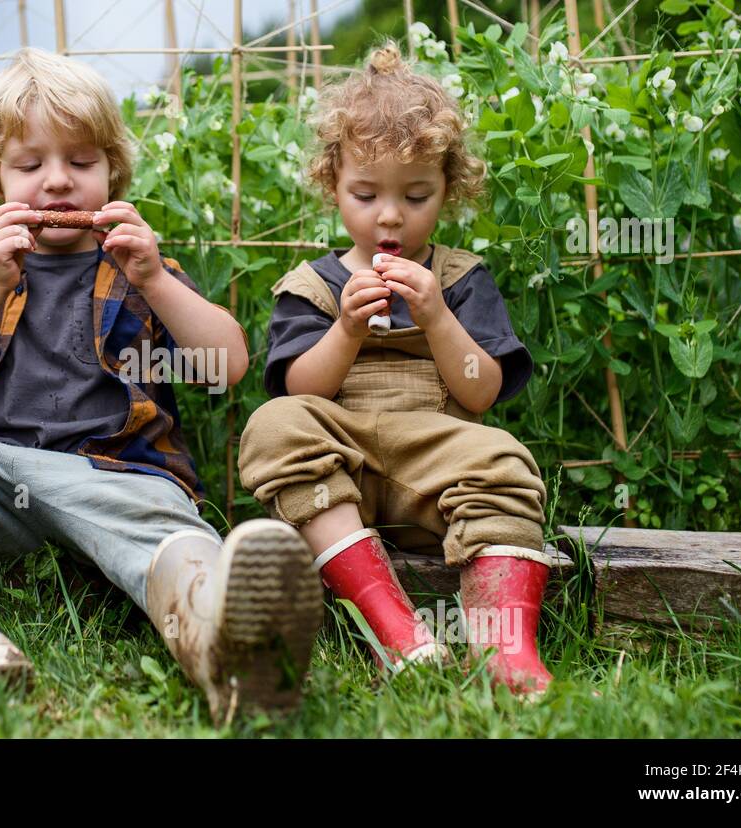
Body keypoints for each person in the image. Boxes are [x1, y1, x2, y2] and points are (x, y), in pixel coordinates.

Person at [0, 47, 324, 723]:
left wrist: (156, 277)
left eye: (81, 162)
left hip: (119, 482)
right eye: (31, 165)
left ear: (113, 172)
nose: (58, 182)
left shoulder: (138, 271)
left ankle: (227, 641)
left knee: (168, 534)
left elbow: (229, 366)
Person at [237, 40, 554, 698]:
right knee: (273, 425)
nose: (389, 215)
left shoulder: (459, 278)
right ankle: (395, 632)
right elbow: (302, 389)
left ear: (448, 189)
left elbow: (482, 390)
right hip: (338, 468)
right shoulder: (312, 286)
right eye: (365, 193)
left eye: (415, 195)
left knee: (504, 458)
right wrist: (347, 328)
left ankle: (505, 647)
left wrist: (436, 314)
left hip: (432, 466)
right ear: (333, 185)